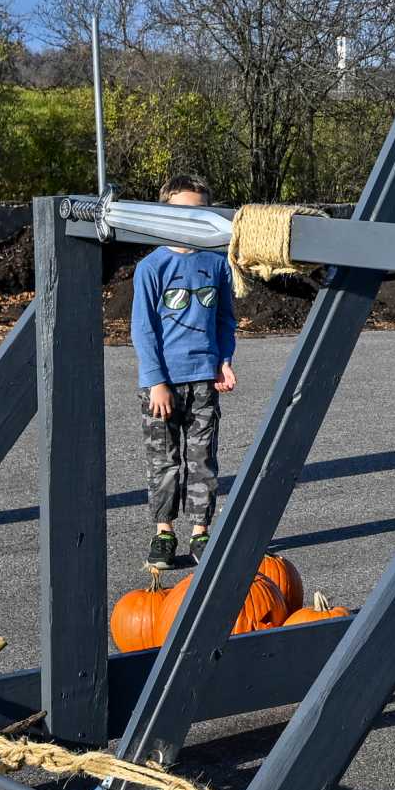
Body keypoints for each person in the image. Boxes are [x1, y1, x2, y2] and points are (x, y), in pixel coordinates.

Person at [131, 175, 237, 568]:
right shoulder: (151, 267)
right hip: (162, 386)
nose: (191, 220)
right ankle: (164, 533)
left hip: (203, 379)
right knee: (163, 460)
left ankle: (200, 533)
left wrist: (224, 359)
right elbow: (143, 330)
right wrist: (156, 381)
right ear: (164, 213)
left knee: (202, 459)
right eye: (181, 212)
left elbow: (225, 320)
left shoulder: (216, 263)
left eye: (200, 212)